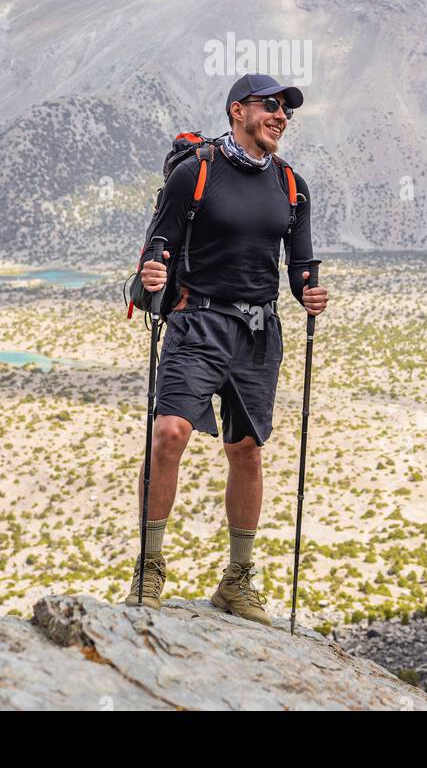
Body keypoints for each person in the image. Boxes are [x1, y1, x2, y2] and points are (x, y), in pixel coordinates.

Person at [124, 73, 328, 625]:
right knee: (169, 435)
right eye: (270, 105)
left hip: (258, 334)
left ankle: (237, 581)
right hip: (198, 322)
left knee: (247, 451)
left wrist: (310, 289)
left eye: (287, 109)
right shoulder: (196, 173)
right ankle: (149, 567)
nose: (281, 115)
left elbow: (299, 264)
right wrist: (150, 275)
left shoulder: (292, 186)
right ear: (237, 110)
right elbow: (159, 247)